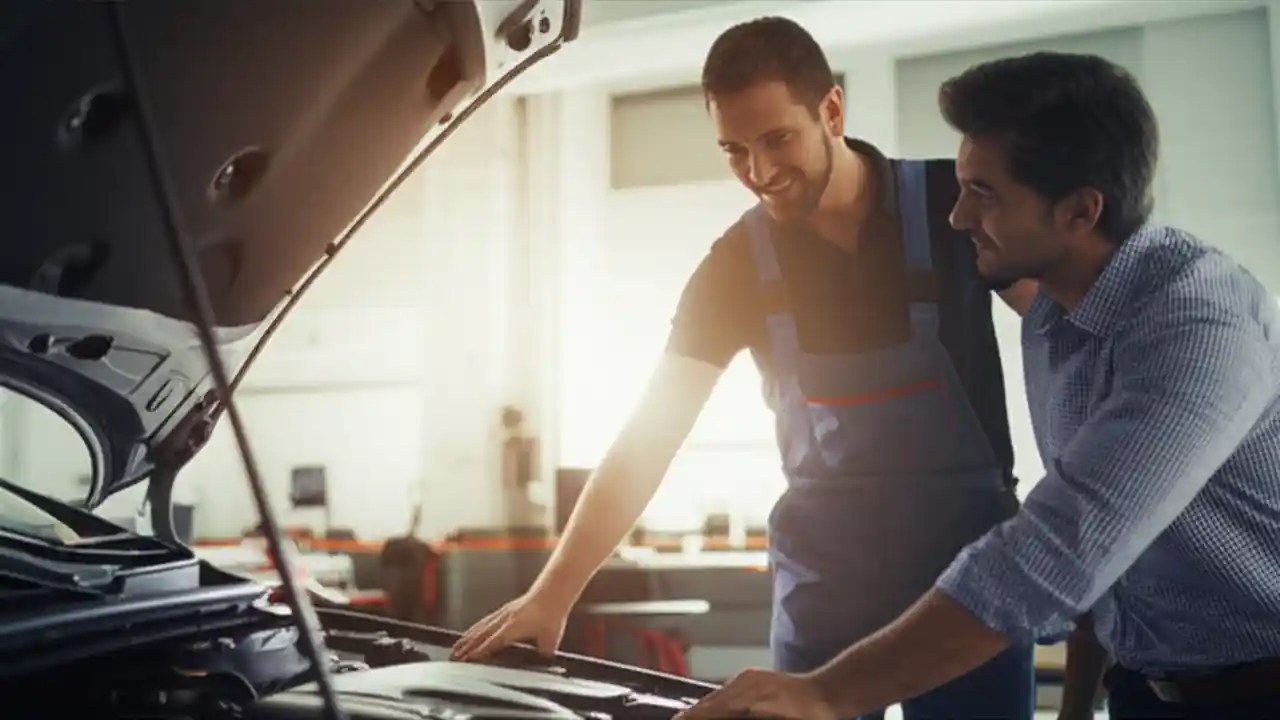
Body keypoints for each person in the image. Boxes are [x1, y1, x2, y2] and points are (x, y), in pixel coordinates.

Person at [452, 17, 1038, 719]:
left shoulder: (955, 207)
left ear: (832, 111)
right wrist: (553, 593)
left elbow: (1065, 335)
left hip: (967, 578)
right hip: (828, 580)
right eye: (734, 150)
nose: (758, 173)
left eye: (777, 140)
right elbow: (649, 436)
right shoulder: (735, 267)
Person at [675, 50, 1280, 720]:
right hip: (1143, 689)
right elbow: (1112, 570)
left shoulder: (1198, 327)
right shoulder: (1054, 319)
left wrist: (826, 693)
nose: (957, 218)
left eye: (983, 194)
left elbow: (1065, 546)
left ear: (1080, 212)